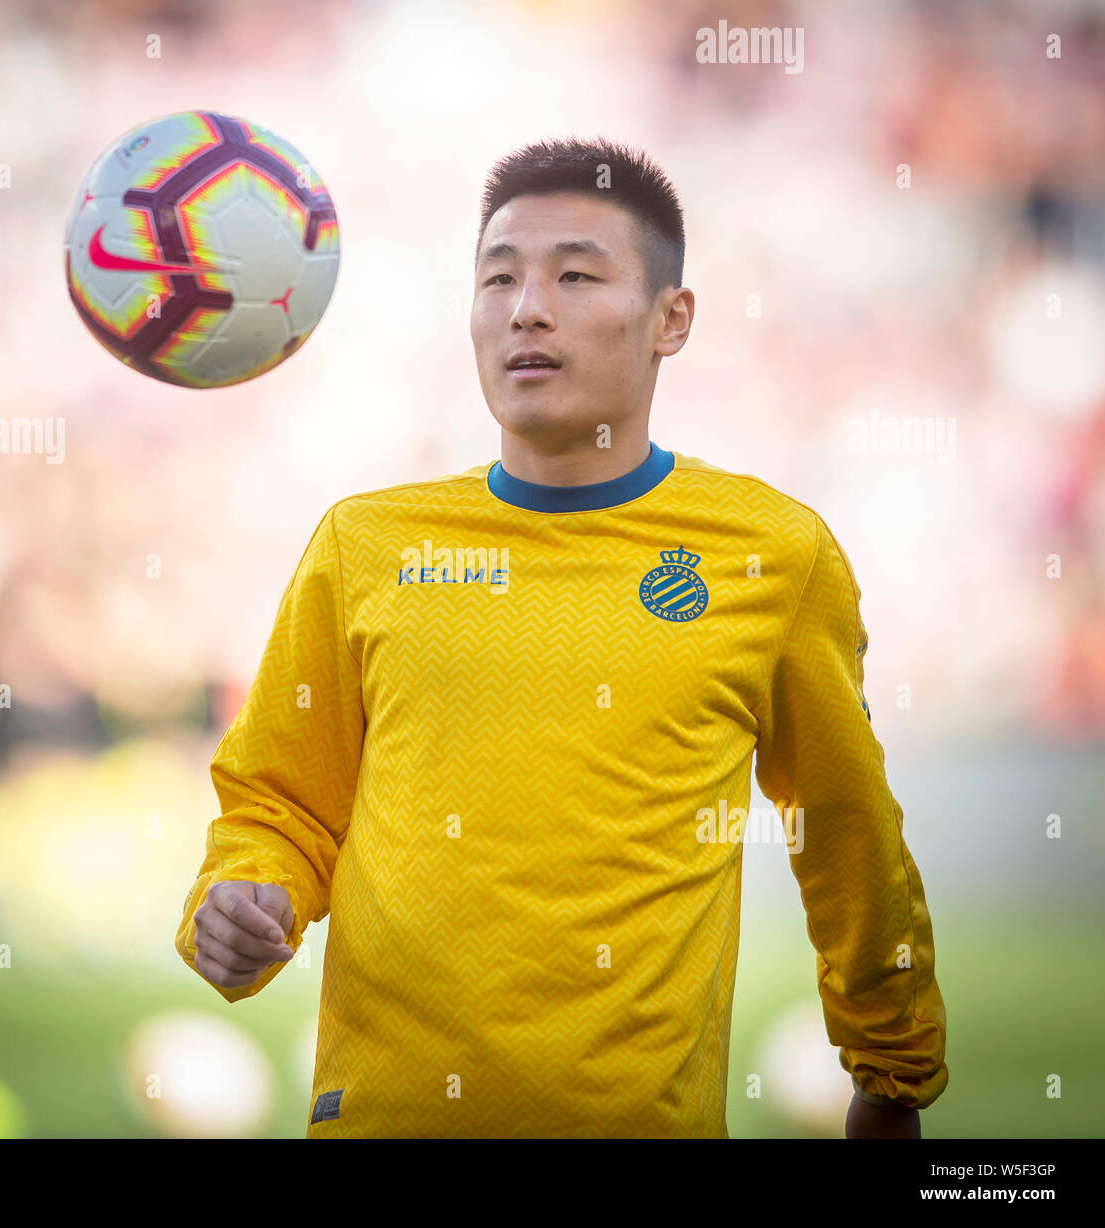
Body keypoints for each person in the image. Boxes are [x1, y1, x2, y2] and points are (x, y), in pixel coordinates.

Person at [175, 136, 947, 1139]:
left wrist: (890, 1069)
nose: (525, 307)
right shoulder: (364, 544)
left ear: (672, 319)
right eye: (498, 278)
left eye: (574, 274)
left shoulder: (770, 554)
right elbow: (280, 804)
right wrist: (245, 893)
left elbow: (844, 828)